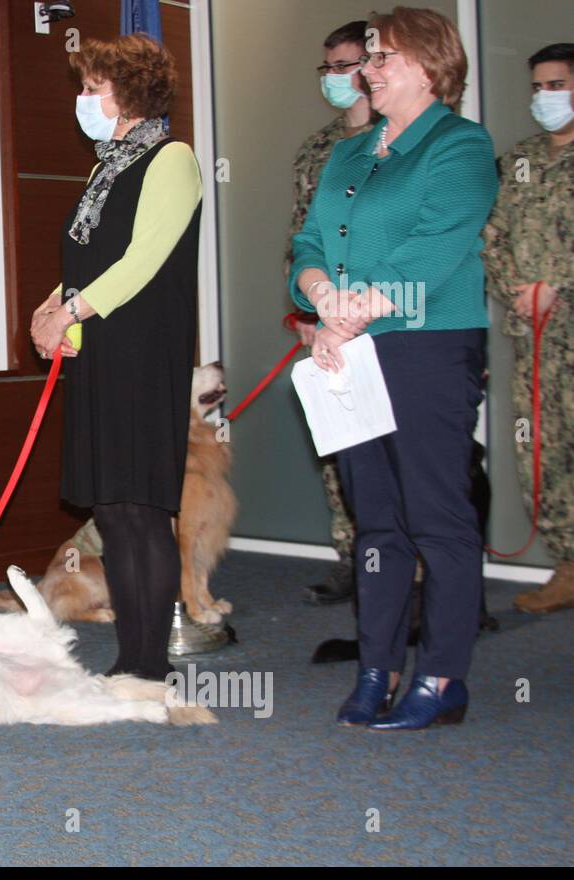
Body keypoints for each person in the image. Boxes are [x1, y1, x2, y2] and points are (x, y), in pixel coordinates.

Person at [290, 7, 497, 730]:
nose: (366, 70)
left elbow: (436, 246)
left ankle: (443, 679)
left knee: (437, 518)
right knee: (375, 523)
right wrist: (320, 298)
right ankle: (378, 665)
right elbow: (311, 240)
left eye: (383, 58)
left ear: (432, 66)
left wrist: (357, 310)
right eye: (367, 58)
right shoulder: (349, 155)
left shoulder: (462, 145)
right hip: (349, 346)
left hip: (427, 345)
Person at [31, 34, 202, 681]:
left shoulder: (171, 158)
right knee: (113, 511)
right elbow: (88, 261)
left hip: (143, 352)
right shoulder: (108, 166)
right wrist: (50, 308)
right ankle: (131, 657)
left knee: (142, 509)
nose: (82, 100)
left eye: (92, 88)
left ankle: (148, 664)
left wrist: (70, 311)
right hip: (101, 353)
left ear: (129, 92)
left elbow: (141, 261)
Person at [481, 42, 574, 614]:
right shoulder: (520, 162)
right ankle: (568, 566)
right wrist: (517, 288)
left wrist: (558, 287)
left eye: (556, 85)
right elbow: (490, 235)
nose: (544, 97)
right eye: (537, 87)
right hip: (534, 339)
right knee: (545, 450)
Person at [286, 20, 375, 606]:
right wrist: (305, 309)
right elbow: (302, 236)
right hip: (324, 313)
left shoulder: (403, 141)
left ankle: (411, 570)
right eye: (329, 69)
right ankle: (353, 558)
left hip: (385, 315)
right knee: (339, 442)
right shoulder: (320, 149)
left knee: (396, 450)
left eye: (347, 67)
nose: (335, 80)